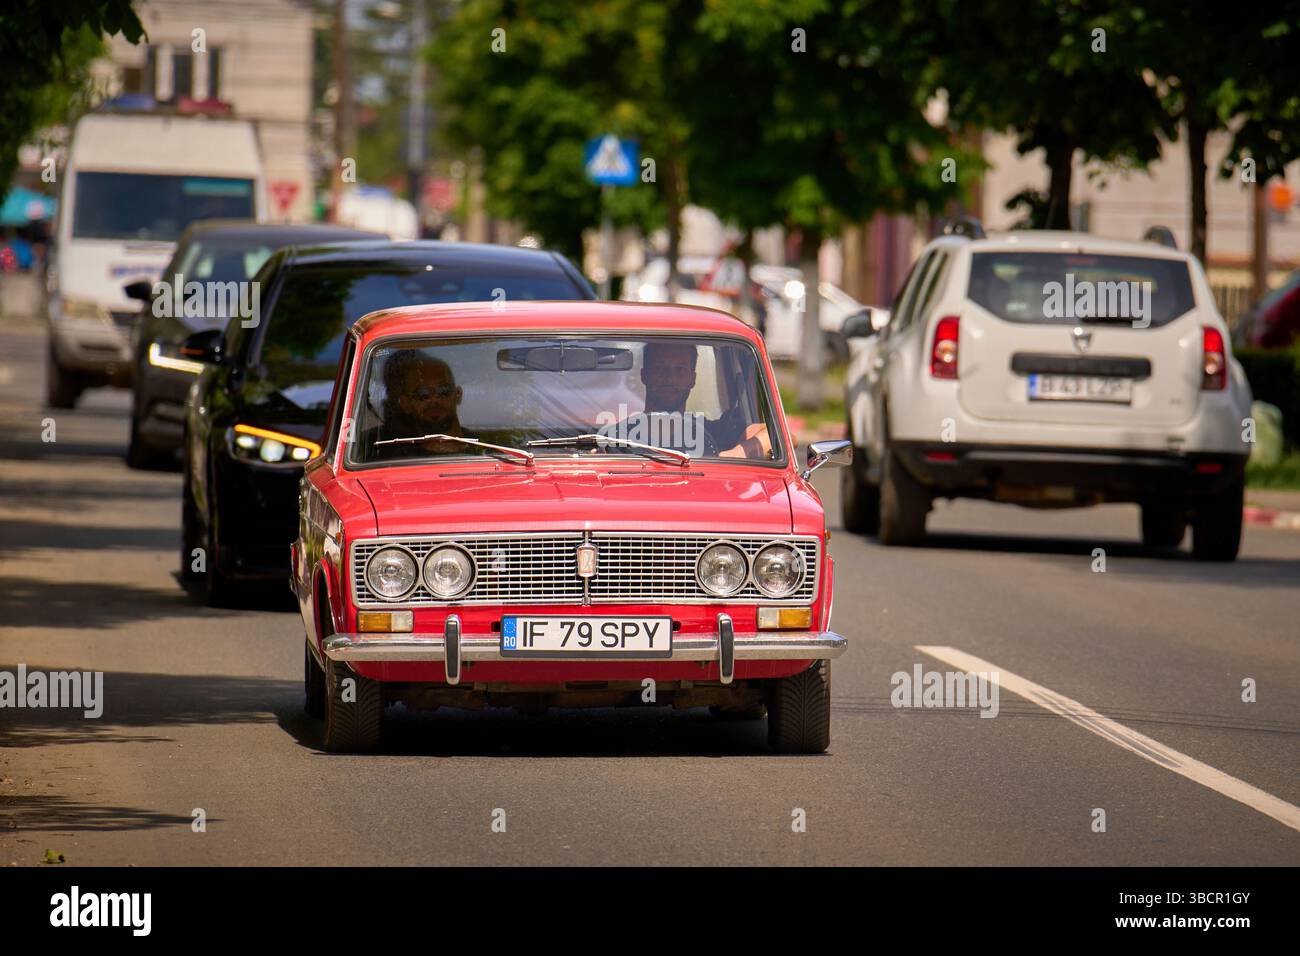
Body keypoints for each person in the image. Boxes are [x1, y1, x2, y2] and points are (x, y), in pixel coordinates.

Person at [630, 341, 771, 459]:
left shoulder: (715, 432)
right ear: (644, 375)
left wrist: (738, 453)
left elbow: (776, 438)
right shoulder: (616, 438)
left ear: (692, 379)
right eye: (660, 369)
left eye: (680, 370)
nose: (669, 379)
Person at [368, 350, 471, 458]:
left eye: (443, 392)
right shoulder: (390, 459)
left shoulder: (485, 449)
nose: (434, 401)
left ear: (458, 394)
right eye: (423, 395)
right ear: (405, 403)